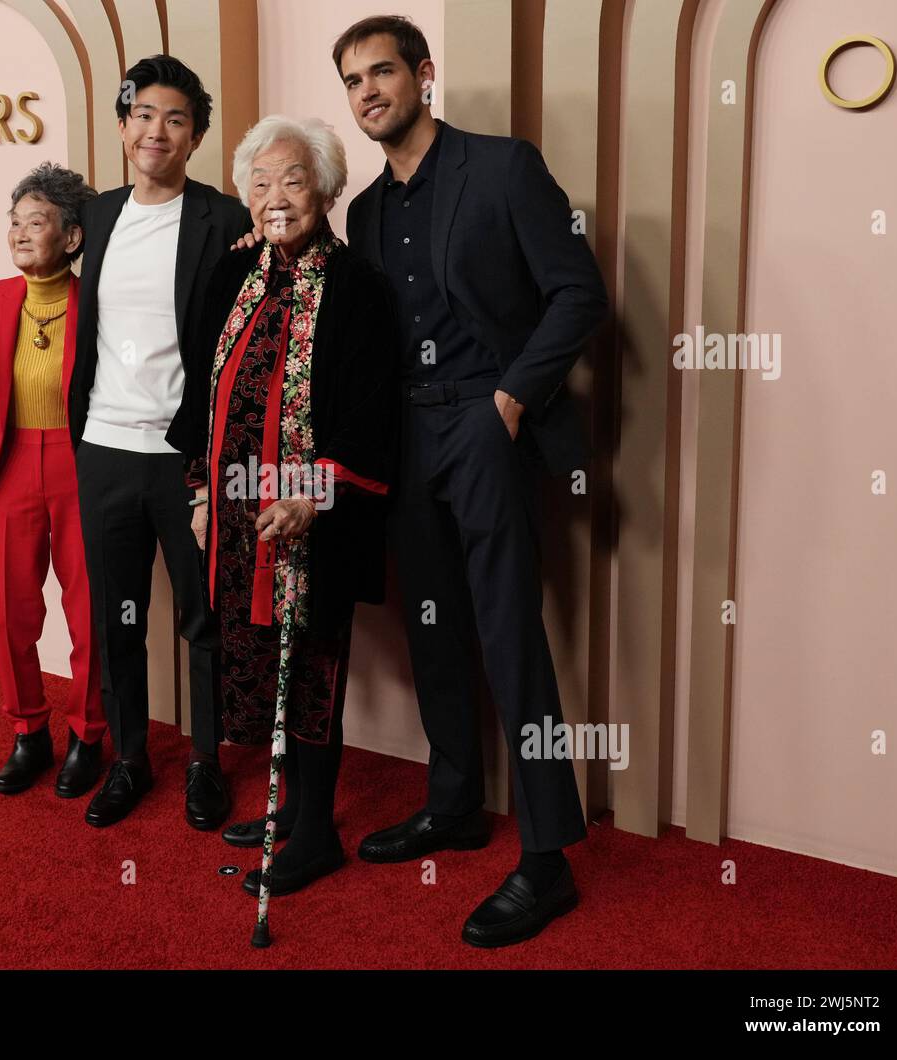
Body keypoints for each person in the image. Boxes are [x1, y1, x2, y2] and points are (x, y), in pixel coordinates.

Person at [335, 16, 609, 946]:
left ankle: (546, 858)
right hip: (406, 435)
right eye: (353, 81)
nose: (368, 91)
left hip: (486, 422)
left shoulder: (502, 167)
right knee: (433, 630)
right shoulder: (365, 212)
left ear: (423, 74)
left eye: (382, 72)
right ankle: (453, 804)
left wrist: (509, 401)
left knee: (509, 633)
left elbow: (580, 290)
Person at [167, 115, 400, 896]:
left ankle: (312, 832)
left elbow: (374, 415)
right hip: (238, 521)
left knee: (311, 667)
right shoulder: (231, 274)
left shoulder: (360, 289)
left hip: (310, 520)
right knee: (262, 660)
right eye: (260, 182)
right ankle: (290, 808)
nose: (274, 196)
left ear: (326, 189)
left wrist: (314, 492)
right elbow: (202, 390)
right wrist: (203, 489)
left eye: (293, 180)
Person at [69, 56, 254, 830]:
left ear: (197, 136)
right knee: (120, 618)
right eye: (143, 114)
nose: (156, 130)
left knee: (205, 617)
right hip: (103, 447)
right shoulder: (99, 214)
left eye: (175, 119)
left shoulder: (226, 218)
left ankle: (207, 761)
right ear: (122, 126)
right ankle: (130, 761)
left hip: (188, 457)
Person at [0, 162, 107, 799]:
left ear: (71, 237)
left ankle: (89, 736)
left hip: (82, 464)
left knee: (91, 613)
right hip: (11, 462)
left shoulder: (97, 298)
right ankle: (28, 733)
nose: (18, 232)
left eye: (35, 222)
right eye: (13, 221)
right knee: (6, 614)